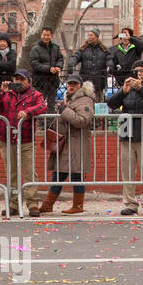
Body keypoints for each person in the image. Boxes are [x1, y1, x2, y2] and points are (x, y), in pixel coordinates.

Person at [106, 64, 143, 215]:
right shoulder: (127, 89)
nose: (139, 74)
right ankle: (130, 203)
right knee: (128, 171)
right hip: (128, 135)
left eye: (142, 71)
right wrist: (123, 92)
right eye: (136, 71)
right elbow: (111, 103)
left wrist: (141, 88)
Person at [0, 68, 46, 216]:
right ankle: (13, 204)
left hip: (26, 140)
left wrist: (28, 112)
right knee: (12, 173)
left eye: (22, 79)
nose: (18, 82)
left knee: (29, 172)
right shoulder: (7, 93)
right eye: (16, 79)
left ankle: (32, 204)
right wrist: (1, 91)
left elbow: (42, 106)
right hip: (7, 139)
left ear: (28, 81)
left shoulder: (35, 95)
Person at [40, 74, 93, 214]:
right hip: (66, 143)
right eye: (69, 83)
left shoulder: (85, 100)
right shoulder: (69, 99)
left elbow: (83, 121)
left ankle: (78, 206)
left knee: (76, 175)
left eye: (74, 84)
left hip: (77, 143)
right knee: (59, 174)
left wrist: (64, 111)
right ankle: (48, 204)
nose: (71, 86)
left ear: (81, 86)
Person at [28, 27, 64, 105]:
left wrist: (58, 66)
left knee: (52, 104)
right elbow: (34, 63)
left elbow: (60, 59)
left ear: (51, 36)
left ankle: (51, 117)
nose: (46, 37)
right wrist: (48, 69)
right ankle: (39, 118)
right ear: (41, 35)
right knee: (39, 103)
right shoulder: (35, 49)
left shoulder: (56, 48)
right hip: (39, 81)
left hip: (53, 81)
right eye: (44, 35)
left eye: (48, 35)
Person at [70, 30, 110, 98]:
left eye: (91, 35)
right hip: (86, 80)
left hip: (99, 81)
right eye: (88, 35)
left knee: (98, 101)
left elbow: (109, 59)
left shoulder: (104, 50)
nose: (89, 37)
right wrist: (71, 64)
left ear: (97, 37)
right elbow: (76, 56)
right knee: (85, 100)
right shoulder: (83, 49)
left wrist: (110, 66)